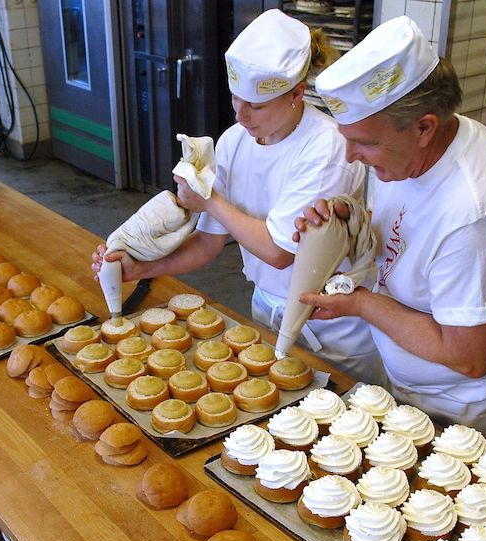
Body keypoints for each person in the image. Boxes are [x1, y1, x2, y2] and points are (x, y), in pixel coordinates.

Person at [93, 9, 386, 385]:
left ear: (297, 93)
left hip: (333, 330)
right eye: (235, 99)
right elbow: (210, 243)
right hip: (265, 308)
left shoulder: (327, 147)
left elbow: (279, 252)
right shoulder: (234, 142)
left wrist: (210, 200)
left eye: (257, 105)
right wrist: (142, 269)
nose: (242, 115)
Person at [296, 16, 486, 451]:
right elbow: (408, 231)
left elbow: (468, 356)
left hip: (461, 407)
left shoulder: (475, 218)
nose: (351, 155)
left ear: (424, 126)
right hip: (409, 385)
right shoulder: (424, 148)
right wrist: (349, 223)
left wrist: (361, 304)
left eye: (364, 143)